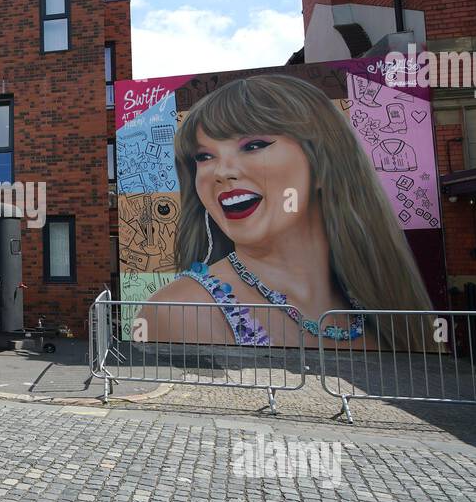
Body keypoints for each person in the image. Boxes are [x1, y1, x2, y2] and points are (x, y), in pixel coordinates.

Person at [139, 74, 434, 347]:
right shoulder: (179, 311)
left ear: (321, 163)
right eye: (204, 156)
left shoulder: (386, 309)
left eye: (253, 145)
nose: (221, 172)